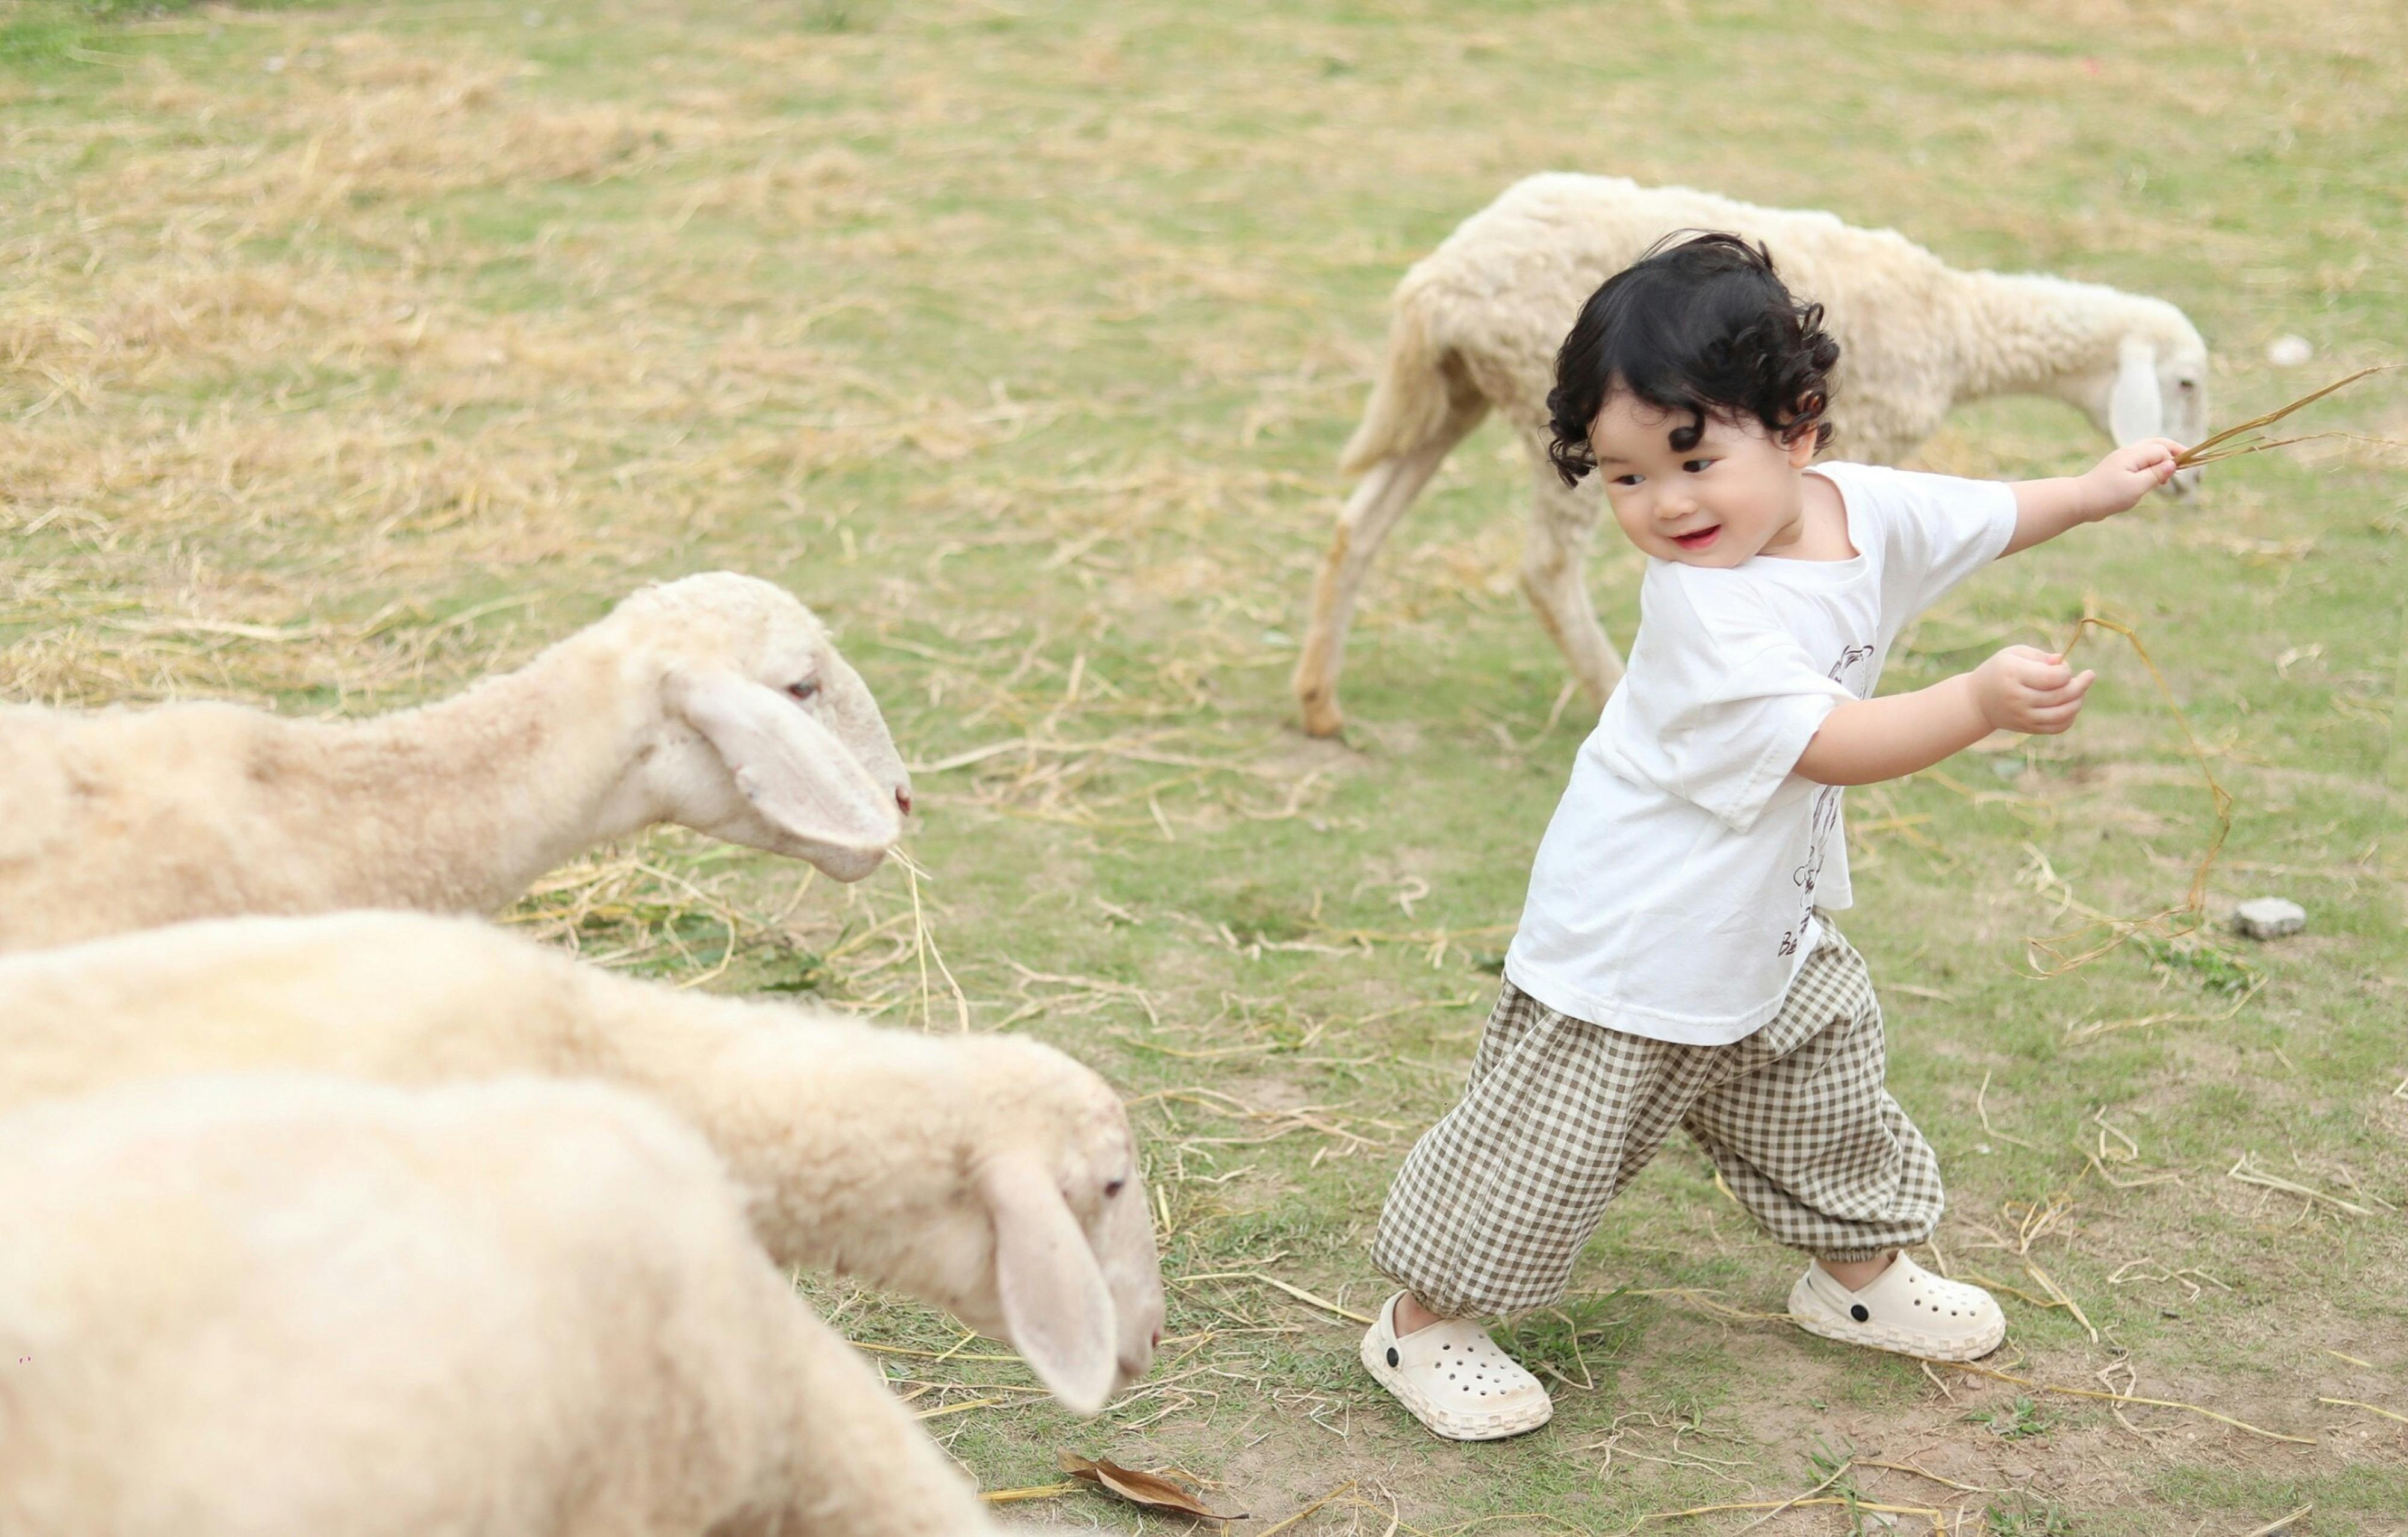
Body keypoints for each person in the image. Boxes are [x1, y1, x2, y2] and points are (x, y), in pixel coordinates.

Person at [1359, 232, 2184, 1441]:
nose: (1664, 505)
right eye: (1624, 477)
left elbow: (1990, 512)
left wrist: (2098, 486)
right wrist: (1975, 703)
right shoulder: (1705, 610)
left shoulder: (1863, 508)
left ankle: (1853, 1278)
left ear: (1798, 426)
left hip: (1765, 920)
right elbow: (1827, 741)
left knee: (1825, 1081)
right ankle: (1421, 1322)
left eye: (1691, 457)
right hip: (1633, 944)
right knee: (1546, 1149)